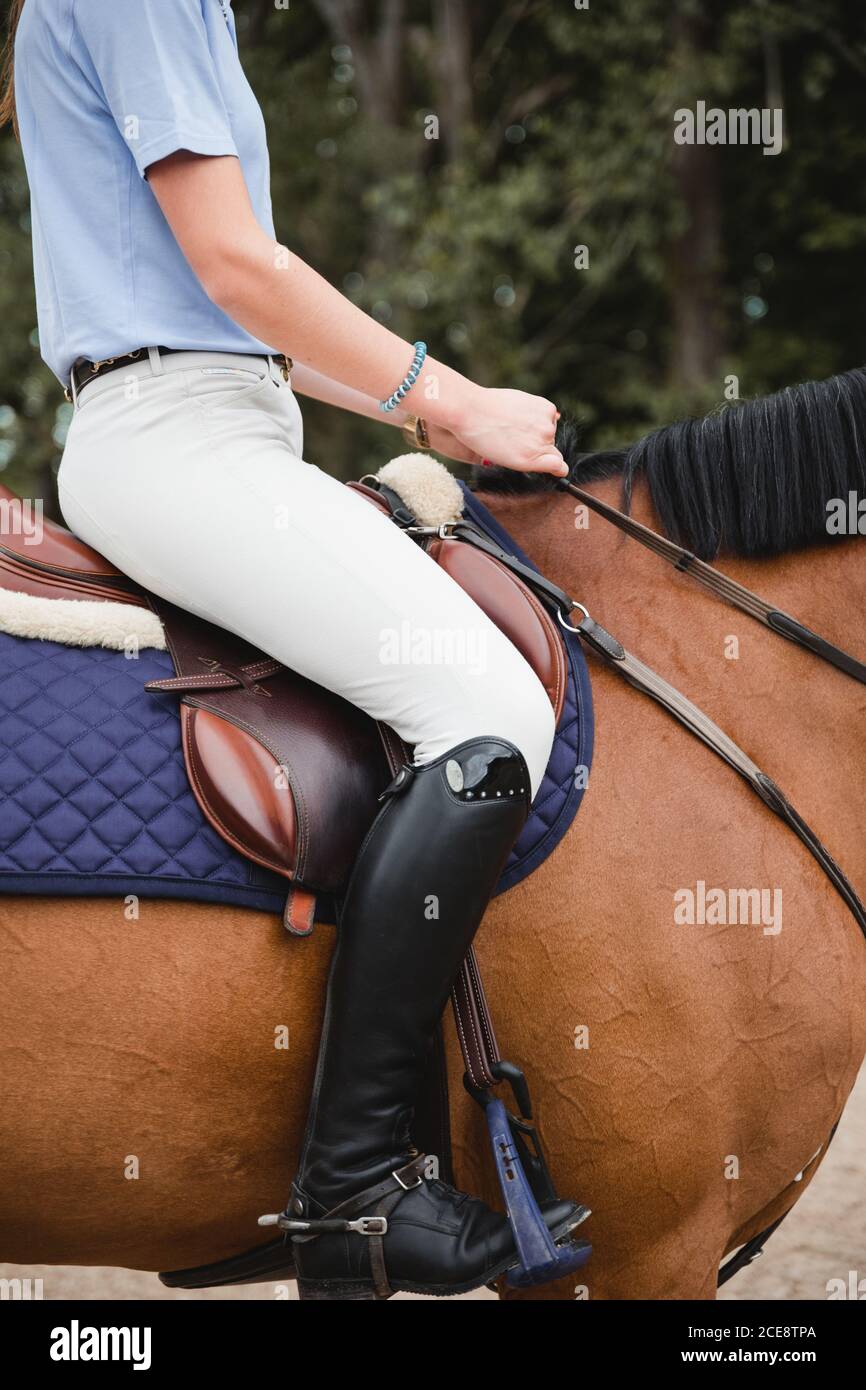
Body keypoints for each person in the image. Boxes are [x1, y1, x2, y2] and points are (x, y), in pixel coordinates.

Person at [4, 0, 581, 1298]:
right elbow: (237, 268)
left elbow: (251, 311)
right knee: (487, 710)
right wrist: (453, 397)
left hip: (224, 419)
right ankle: (358, 1191)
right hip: (175, 435)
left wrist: (419, 398)